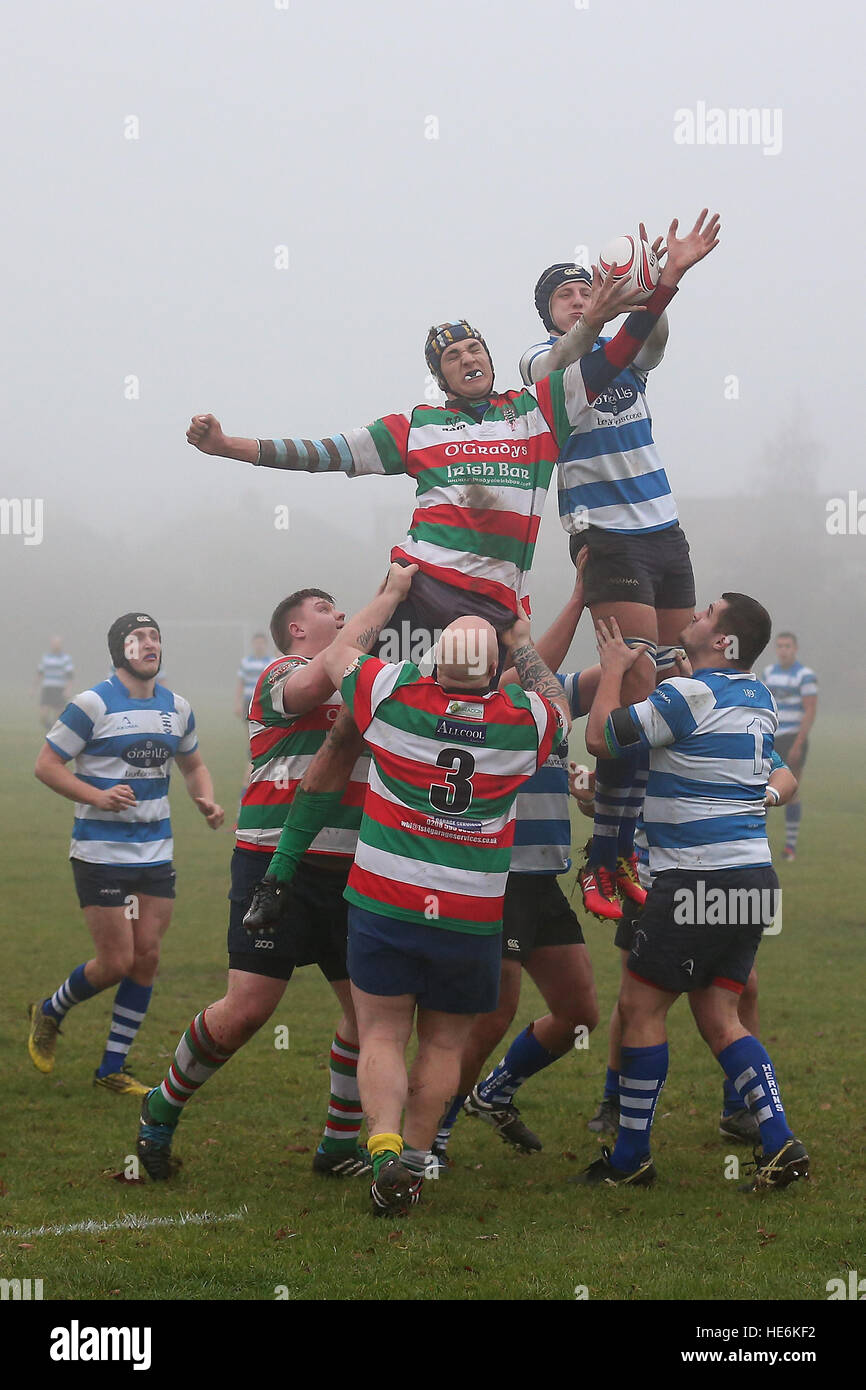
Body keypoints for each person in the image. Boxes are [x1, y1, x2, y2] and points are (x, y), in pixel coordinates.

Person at [187, 218, 715, 922]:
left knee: (541, 729)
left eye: (476, 347)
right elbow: (319, 452)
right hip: (419, 596)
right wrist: (230, 448)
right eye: (454, 354)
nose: (469, 357)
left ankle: (496, 891)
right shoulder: (416, 427)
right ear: (439, 375)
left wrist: (668, 278)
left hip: (495, 616)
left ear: (491, 359)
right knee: (351, 730)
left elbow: (615, 353)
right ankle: (280, 878)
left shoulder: (539, 411)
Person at [135, 569, 416, 1181]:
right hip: (273, 863)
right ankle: (163, 1103)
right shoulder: (281, 676)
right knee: (247, 1010)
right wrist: (389, 596)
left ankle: (339, 1143)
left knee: (369, 1015)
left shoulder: (365, 683)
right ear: (296, 628)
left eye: (341, 608)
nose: (338, 615)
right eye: (325, 607)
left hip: (354, 868)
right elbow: (322, 679)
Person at [312, 600, 571, 1214]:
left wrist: (393, 589)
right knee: (444, 1047)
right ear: (495, 667)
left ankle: (380, 1149)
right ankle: (416, 1163)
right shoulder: (524, 721)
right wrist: (525, 644)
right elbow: (557, 700)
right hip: (470, 912)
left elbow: (338, 652)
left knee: (380, 1032)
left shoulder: (393, 695)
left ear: (432, 660)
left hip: (385, 900)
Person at [573, 594, 808, 1191]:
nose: (693, 618)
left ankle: (630, 1160)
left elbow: (601, 738)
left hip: (694, 879)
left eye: (706, 614)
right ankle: (780, 1142)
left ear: (724, 641)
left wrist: (614, 668)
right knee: (721, 1016)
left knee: (639, 1009)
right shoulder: (756, 698)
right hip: (753, 878)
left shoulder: (689, 696)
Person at [523, 213, 721, 921]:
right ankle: (602, 860)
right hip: (605, 535)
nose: (579, 299)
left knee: (667, 681)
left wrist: (656, 289)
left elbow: (655, 342)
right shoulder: (540, 364)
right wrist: (603, 315)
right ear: (547, 312)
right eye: (565, 295)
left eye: (586, 289)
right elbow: (568, 358)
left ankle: (629, 847)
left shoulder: (627, 349)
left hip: (663, 531)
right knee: (631, 677)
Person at [432, 561, 600, 1160]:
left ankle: (494, 1094)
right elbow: (537, 674)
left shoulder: (546, 698)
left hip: (541, 879)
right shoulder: (494, 696)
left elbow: (607, 675)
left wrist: (648, 641)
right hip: (495, 878)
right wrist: (581, 595)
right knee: (491, 1014)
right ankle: (435, 1131)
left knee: (579, 1014)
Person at [28, 615, 224, 1095]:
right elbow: (46, 765)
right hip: (100, 852)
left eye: (156, 636)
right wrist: (95, 795)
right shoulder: (91, 704)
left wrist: (205, 797)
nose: (151, 644)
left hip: (155, 853)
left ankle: (111, 1068)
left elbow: (193, 762)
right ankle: (50, 1010)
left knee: (147, 958)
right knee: (116, 961)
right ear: (120, 650)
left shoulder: (176, 707)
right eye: (139, 638)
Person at [584, 750, 798, 1144]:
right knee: (634, 1000)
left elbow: (785, 775)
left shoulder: (724, 723)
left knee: (742, 986)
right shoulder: (656, 720)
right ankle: (614, 1100)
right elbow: (604, 798)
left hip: (713, 877)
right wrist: (589, 794)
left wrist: (764, 796)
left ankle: (738, 1107)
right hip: (648, 879)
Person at [762, 632, 817, 861]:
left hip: (793, 737)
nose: (783, 650)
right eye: (780, 646)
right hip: (772, 737)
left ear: (795, 649)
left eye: (788, 646)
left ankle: (790, 847)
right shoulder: (769, 673)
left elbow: (810, 710)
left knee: (790, 791)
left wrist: (799, 742)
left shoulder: (805, 676)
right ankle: (758, 843)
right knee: (761, 790)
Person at [35, 636, 75, 730]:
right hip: (47, 688)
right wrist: (34, 688)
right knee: (43, 716)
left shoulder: (66, 658)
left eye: (57, 644)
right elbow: (40, 673)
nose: (55, 646)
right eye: (54, 644)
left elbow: (70, 676)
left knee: (58, 716)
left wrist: (68, 690)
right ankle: (50, 730)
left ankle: (54, 734)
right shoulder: (46, 657)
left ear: (60, 645)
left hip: (59, 689)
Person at [235, 633, 272, 720]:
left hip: (265, 701)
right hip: (248, 699)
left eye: (261, 643)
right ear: (253, 644)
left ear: (266, 645)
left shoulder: (272, 662)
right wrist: (238, 703)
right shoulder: (245, 662)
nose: (259, 646)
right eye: (257, 643)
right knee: (249, 726)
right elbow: (240, 683)